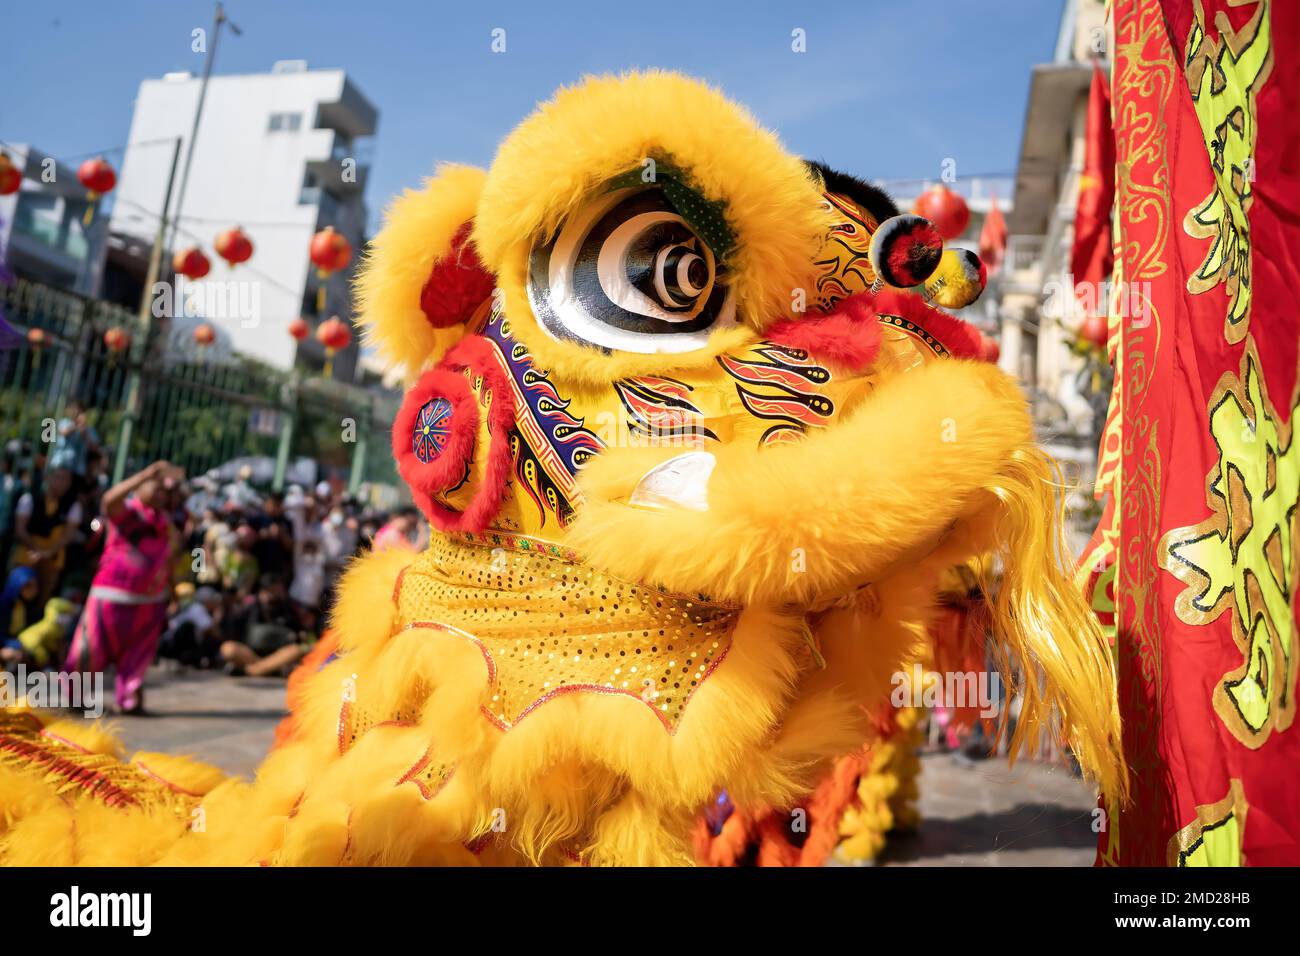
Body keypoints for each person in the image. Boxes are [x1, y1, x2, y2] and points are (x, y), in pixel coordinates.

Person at [62, 460, 182, 714]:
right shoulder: (125, 512)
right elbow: (108, 499)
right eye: (155, 488)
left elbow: (168, 561)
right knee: (89, 649)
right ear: (138, 488)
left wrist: (172, 592)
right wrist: (147, 473)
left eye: (164, 491)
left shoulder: (166, 525)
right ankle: (74, 697)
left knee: (138, 656)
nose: (161, 494)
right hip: (110, 596)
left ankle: (129, 698)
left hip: (150, 603)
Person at [11, 466, 82, 604]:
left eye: (65, 479)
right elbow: (20, 530)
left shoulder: (73, 506)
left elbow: (68, 535)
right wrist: (37, 550)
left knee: (43, 599)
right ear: (48, 478)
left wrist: (48, 553)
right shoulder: (29, 498)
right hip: (27, 554)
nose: (60, 482)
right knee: (19, 595)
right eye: (57, 477)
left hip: (53, 559)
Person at [219, 574, 310, 677]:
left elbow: (299, 635)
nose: (273, 595)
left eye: (277, 591)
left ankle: (253, 670)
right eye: (270, 591)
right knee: (227, 648)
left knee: (296, 650)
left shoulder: (287, 607)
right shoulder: (249, 606)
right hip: (252, 654)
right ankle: (269, 669)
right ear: (262, 591)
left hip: (278, 655)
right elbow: (233, 631)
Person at [158, 585, 224, 669]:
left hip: (168, 644)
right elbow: (214, 631)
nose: (216, 602)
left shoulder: (193, 607)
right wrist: (218, 615)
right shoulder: (198, 609)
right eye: (213, 600)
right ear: (208, 600)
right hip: (171, 646)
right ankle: (184, 659)